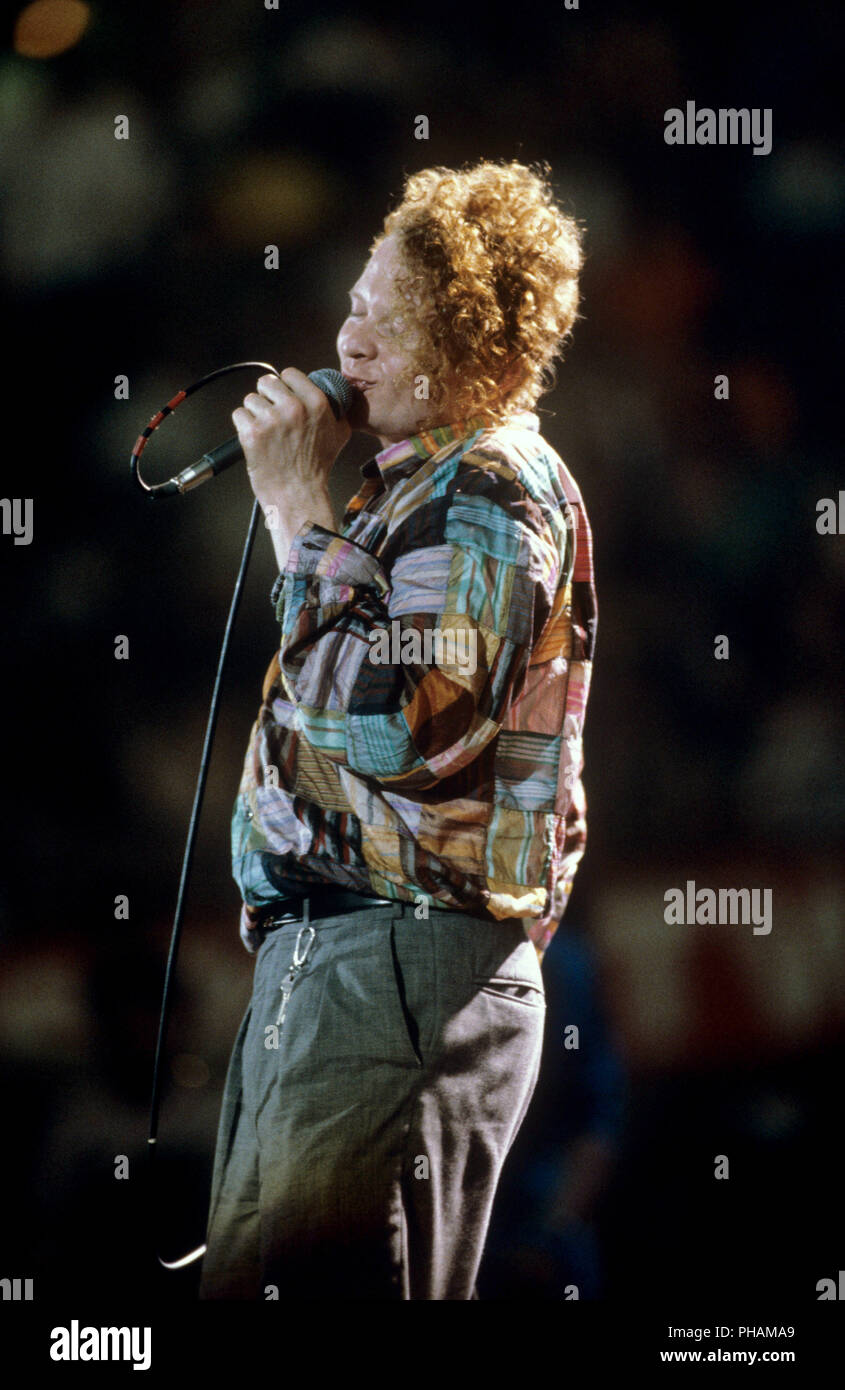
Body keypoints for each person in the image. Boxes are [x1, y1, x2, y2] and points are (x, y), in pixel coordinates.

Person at [198, 159, 597, 1301]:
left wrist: (290, 510)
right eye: (354, 300)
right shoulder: (407, 490)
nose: (346, 331)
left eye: (387, 308)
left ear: (472, 339)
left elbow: (394, 730)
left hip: (396, 961)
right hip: (342, 962)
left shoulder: (489, 487)